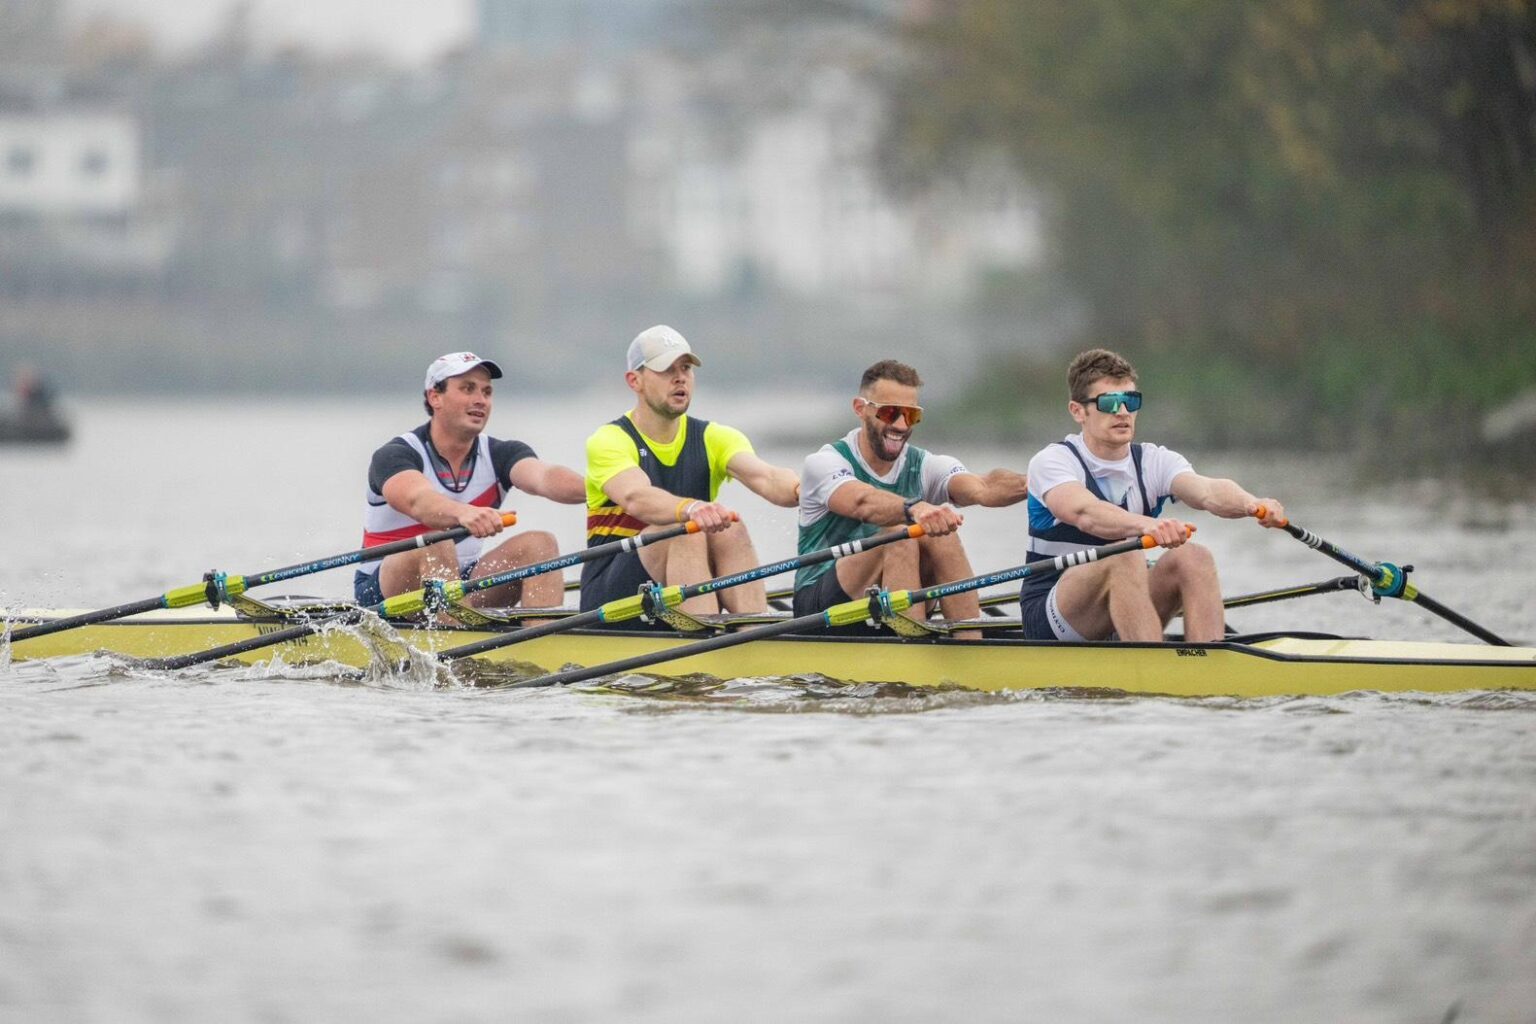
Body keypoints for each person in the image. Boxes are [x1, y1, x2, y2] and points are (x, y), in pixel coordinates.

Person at [1021, 348, 1287, 642]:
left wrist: (1252, 503)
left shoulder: (1153, 460)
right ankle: (1152, 671)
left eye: (1130, 401)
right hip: (1053, 615)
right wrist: (1146, 526)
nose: (1122, 412)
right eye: (1110, 402)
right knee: (1126, 556)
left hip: (1121, 604)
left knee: (1195, 557)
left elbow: (1208, 491)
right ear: (1078, 411)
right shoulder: (1053, 461)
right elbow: (1084, 513)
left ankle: (1207, 666)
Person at [581, 325, 800, 616]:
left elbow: (768, 478)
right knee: (684, 531)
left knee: (731, 527)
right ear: (635, 380)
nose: (680, 377)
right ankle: (705, 637)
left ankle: (753, 631)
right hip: (611, 598)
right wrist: (692, 508)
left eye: (685, 368)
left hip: (676, 586)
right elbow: (637, 497)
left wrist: (811, 491)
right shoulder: (609, 440)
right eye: (666, 370)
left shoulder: (715, 437)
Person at [794, 359, 1030, 629]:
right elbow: (862, 502)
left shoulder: (924, 465)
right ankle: (911, 645)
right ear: (860, 409)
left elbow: (984, 487)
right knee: (901, 534)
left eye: (911, 415)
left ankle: (969, 643)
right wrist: (915, 508)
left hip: (887, 600)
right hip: (819, 607)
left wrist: (1035, 482)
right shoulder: (825, 463)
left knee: (942, 533)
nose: (902, 425)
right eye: (890, 413)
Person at [357, 352, 585, 610]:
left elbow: (544, 477)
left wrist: (602, 490)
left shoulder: (501, 454)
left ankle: (544, 643)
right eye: (467, 389)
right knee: (436, 543)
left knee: (540, 544)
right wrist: (463, 513)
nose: (480, 400)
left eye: (487, 392)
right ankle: (457, 638)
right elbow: (419, 501)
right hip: (385, 590)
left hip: (461, 583)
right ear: (435, 397)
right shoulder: (396, 454)